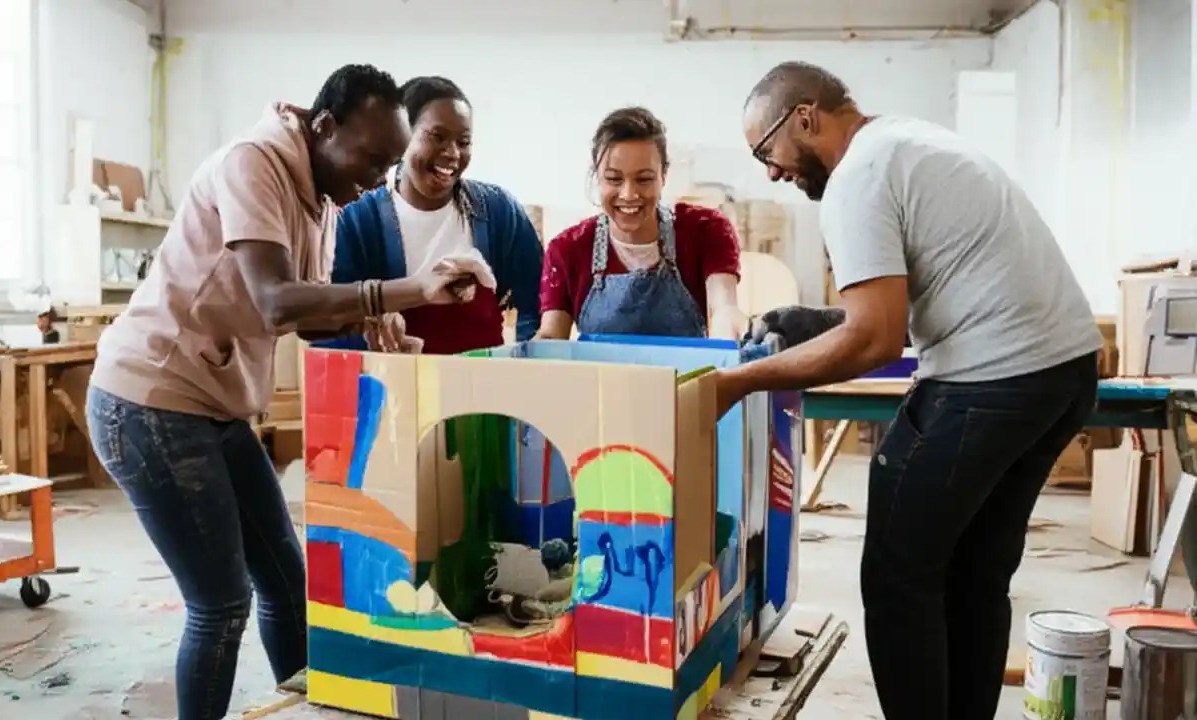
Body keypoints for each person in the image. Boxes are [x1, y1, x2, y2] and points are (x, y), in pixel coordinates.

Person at [85, 64, 487, 720]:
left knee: (287, 583)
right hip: (151, 401)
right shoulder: (255, 163)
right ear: (325, 127)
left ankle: (312, 708)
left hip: (211, 402)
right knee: (220, 605)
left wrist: (370, 318)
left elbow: (306, 311)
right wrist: (408, 290)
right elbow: (275, 300)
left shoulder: (325, 195)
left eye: (390, 164)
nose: (377, 181)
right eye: (372, 159)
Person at [714, 61, 1102, 720]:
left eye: (766, 150)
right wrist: (811, 325)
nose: (770, 171)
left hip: (992, 379)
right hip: (1062, 373)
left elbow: (874, 341)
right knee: (974, 575)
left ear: (805, 116)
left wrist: (739, 382)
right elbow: (897, 308)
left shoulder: (858, 178)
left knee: (898, 579)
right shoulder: (908, 142)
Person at [330, 76, 542, 354]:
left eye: (463, 142)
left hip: (484, 388)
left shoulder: (500, 211)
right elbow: (331, 330)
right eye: (437, 137)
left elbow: (538, 305)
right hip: (393, 389)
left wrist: (528, 363)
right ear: (402, 138)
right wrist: (372, 336)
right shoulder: (356, 221)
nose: (453, 154)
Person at [535, 106, 744, 341]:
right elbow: (551, 339)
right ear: (597, 177)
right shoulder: (568, 249)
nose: (628, 194)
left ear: (664, 175)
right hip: (603, 378)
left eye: (644, 179)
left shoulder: (706, 230)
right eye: (613, 179)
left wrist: (729, 344)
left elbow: (724, 311)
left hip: (684, 378)